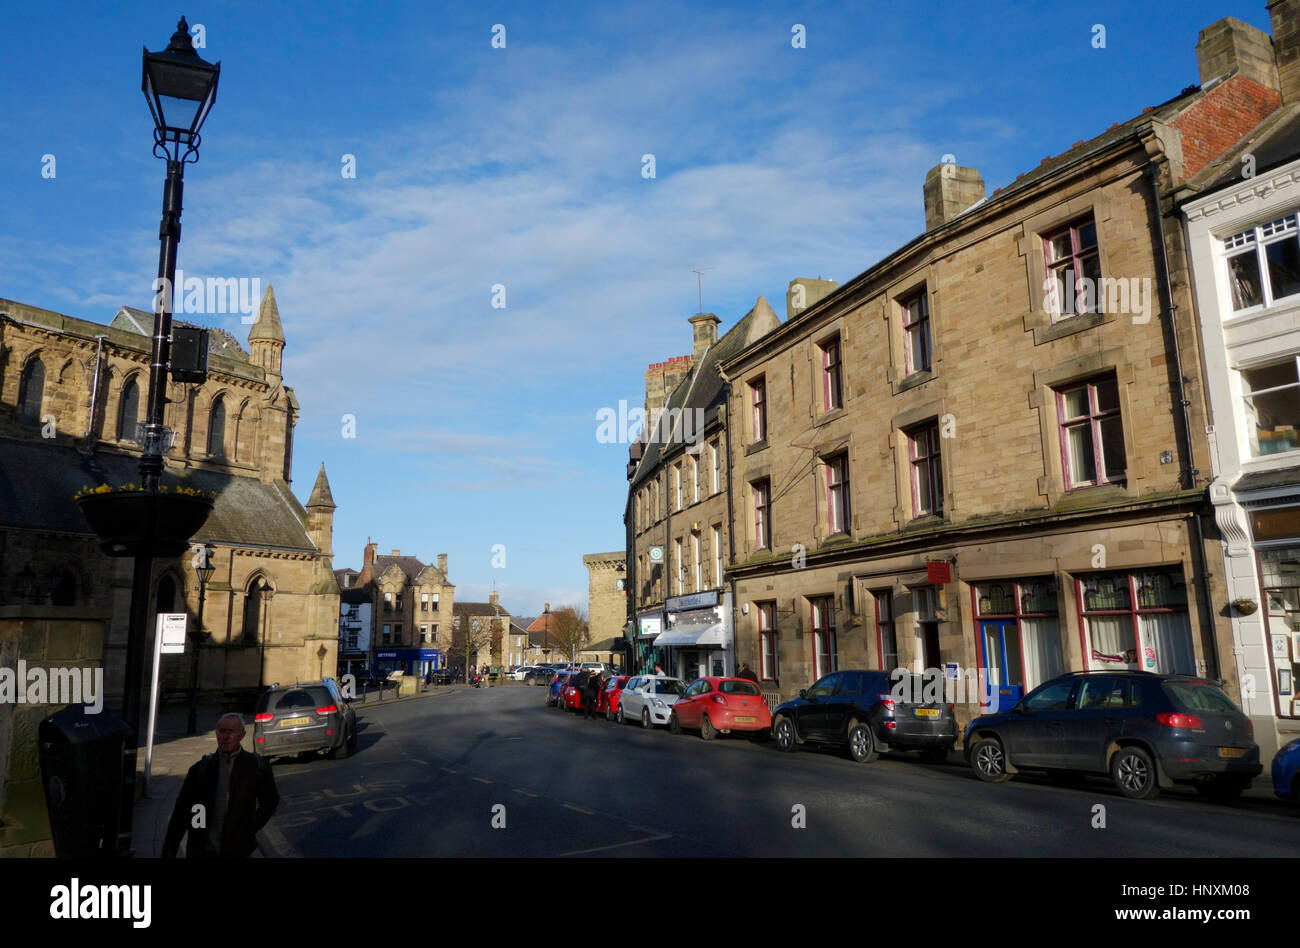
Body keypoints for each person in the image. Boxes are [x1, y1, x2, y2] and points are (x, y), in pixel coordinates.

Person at [162, 713, 279, 858]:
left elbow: (270, 800)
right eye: (222, 731)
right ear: (217, 733)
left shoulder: (256, 766)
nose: (226, 736)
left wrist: (250, 827)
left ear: (242, 735)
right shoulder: (200, 769)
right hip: (202, 851)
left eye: (231, 732)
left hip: (238, 851)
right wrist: (169, 850)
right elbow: (181, 812)